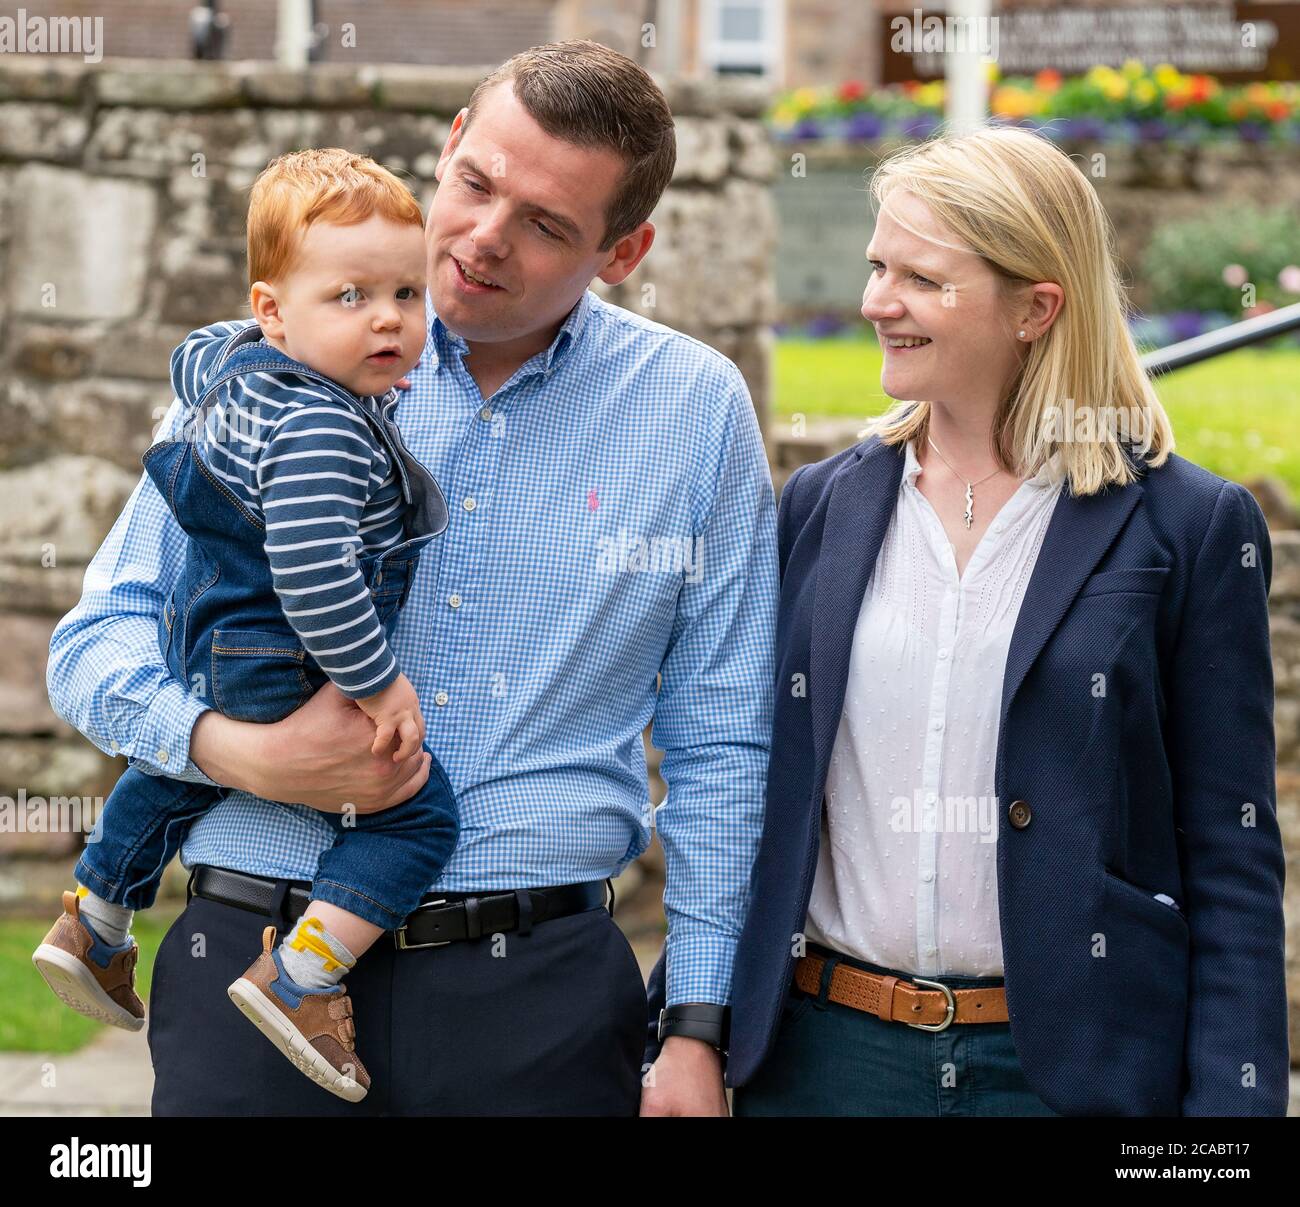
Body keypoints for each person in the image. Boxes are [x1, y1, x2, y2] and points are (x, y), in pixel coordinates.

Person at [47, 40, 776, 1117]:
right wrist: (241, 751)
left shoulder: (693, 411)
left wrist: (698, 1026)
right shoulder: (269, 368)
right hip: (239, 965)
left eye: (546, 225)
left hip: (536, 1007)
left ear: (623, 251)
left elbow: (722, 741)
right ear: (448, 150)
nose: (483, 239)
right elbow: (96, 643)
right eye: (477, 184)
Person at [725, 126, 1288, 1116]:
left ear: (1036, 306)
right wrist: (688, 1030)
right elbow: (747, 789)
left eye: (920, 278)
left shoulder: (1189, 525)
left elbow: (1228, 852)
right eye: (876, 267)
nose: (873, 302)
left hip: (1071, 1077)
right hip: (825, 1066)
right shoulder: (820, 504)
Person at [35, 149, 461, 1104]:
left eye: (405, 291)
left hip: (213, 646)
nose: (388, 318)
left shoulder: (229, 365)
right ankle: (304, 977)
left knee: (182, 766)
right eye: (350, 297)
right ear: (276, 309)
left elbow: (195, 350)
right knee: (418, 814)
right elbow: (315, 578)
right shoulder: (326, 427)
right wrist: (377, 683)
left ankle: (96, 915)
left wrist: (269, 324)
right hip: (285, 653)